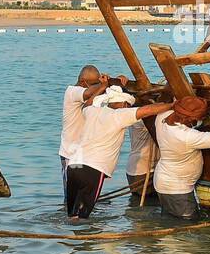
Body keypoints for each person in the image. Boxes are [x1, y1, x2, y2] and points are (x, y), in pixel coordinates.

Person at [66, 80, 172, 221]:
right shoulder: (119, 115)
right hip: (93, 169)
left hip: (73, 166)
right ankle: (82, 239)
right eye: (127, 105)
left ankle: (67, 239)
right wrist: (172, 105)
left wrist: (102, 88)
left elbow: (87, 104)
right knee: (82, 217)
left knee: (71, 213)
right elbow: (147, 110)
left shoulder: (92, 111)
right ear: (123, 104)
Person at [152, 94, 210, 219]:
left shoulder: (162, 117)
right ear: (187, 119)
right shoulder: (186, 136)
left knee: (171, 221)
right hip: (177, 189)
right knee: (186, 226)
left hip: (165, 181)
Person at [58, 65, 102, 200]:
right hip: (72, 154)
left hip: (88, 155)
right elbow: (88, 93)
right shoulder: (72, 91)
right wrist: (104, 85)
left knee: (87, 198)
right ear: (83, 82)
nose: (98, 87)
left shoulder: (94, 93)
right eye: (95, 84)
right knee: (72, 199)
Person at [124, 118, 157, 205]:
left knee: (140, 204)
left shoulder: (135, 118)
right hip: (143, 170)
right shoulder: (143, 120)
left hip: (137, 168)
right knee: (147, 205)